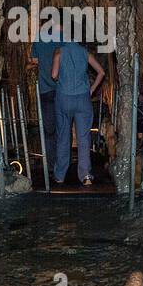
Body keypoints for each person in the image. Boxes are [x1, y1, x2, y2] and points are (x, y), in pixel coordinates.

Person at [50, 36, 105, 186]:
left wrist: (62, 79)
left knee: (63, 136)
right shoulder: (85, 52)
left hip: (64, 98)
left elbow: (54, 75)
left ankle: (60, 175)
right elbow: (101, 72)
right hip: (83, 99)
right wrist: (91, 90)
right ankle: (86, 175)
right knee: (84, 137)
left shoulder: (59, 51)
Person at [29, 29, 60, 171]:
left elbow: (34, 60)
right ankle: (61, 164)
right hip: (62, 89)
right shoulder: (64, 38)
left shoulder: (39, 39)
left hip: (45, 89)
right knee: (63, 128)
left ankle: (50, 164)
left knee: (49, 130)